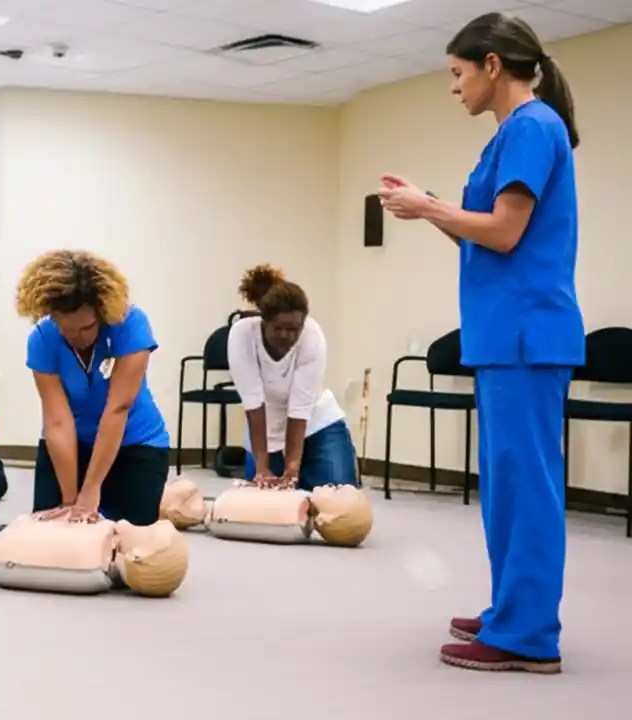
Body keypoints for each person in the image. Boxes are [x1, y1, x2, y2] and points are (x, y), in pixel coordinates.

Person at [377, 11, 582, 674]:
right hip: (506, 337)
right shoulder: (510, 134)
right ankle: (510, 611)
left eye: (458, 73)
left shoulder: (532, 126)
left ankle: (528, 635)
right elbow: (483, 230)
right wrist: (428, 204)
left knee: (528, 488)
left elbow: (504, 233)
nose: (454, 86)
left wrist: (430, 208)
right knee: (505, 486)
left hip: (528, 334)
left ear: (493, 65)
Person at [16, 249, 170, 526]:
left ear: (101, 314)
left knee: (129, 543)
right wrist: (69, 500)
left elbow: (118, 408)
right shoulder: (42, 338)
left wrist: (90, 492)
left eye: (86, 328)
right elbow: (57, 419)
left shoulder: (130, 325)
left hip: (134, 443)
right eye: (67, 330)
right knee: (53, 531)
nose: (77, 338)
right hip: (70, 445)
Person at [226, 264, 358, 491]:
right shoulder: (242, 335)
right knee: (263, 501)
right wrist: (261, 467)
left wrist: (292, 468)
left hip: (316, 424)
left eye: (293, 329)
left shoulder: (312, 336)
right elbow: (253, 402)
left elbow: (300, 407)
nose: (285, 335)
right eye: (278, 328)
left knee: (338, 500)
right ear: (263, 321)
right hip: (266, 428)